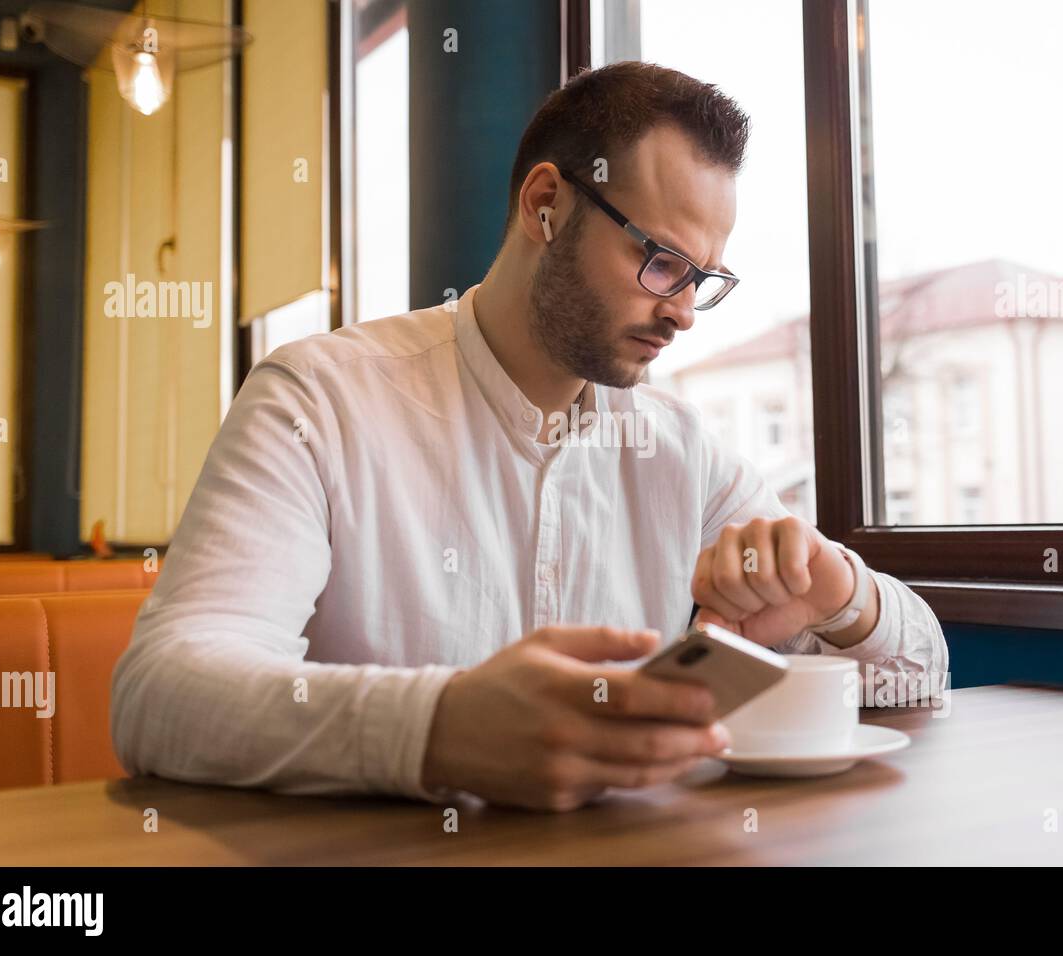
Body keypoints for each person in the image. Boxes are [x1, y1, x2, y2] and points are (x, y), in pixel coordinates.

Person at [111, 61, 948, 812]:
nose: (684, 312)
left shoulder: (680, 451)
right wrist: (439, 728)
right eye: (661, 260)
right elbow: (161, 696)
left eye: (704, 280)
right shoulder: (320, 401)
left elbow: (923, 677)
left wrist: (842, 596)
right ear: (545, 207)